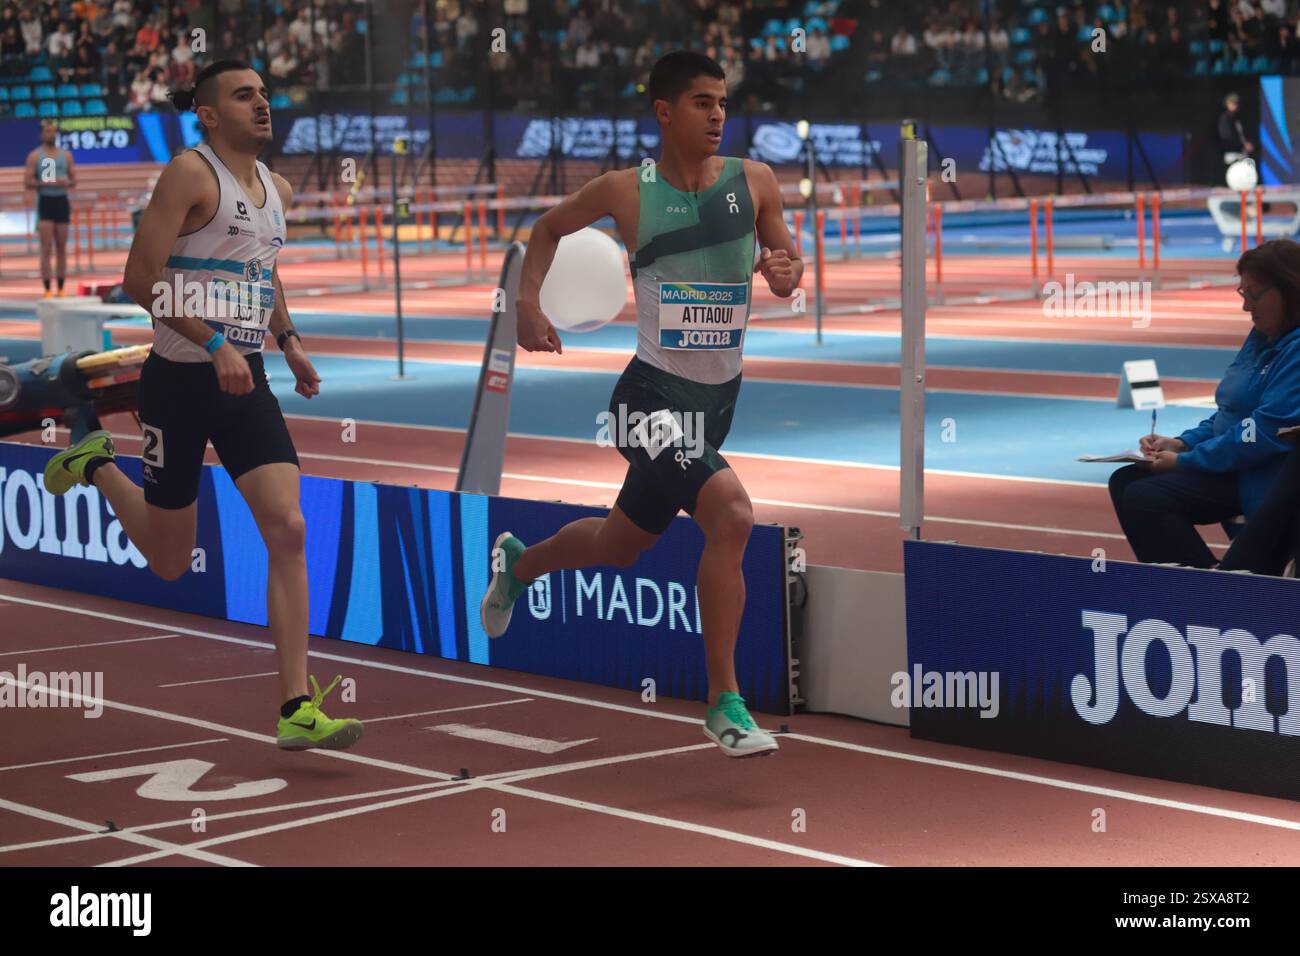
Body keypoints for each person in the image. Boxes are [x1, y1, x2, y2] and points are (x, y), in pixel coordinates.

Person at [479, 51, 802, 758]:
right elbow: (546, 229)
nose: (717, 114)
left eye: (722, 102)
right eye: (700, 103)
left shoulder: (756, 182)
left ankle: (518, 565)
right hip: (646, 398)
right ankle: (726, 704)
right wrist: (528, 304)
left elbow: (786, 270)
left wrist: (785, 269)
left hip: (716, 401)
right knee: (734, 515)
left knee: (619, 545)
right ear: (664, 111)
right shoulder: (626, 191)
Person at [41, 60, 362, 752]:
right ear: (210, 115)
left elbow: (262, 268)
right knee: (167, 560)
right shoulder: (190, 174)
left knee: (290, 528)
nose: (262, 105)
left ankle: (295, 705)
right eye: (244, 96)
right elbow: (138, 277)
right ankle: (97, 461)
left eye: (266, 94)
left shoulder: (275, 188)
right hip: (179, 384)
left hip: (246, 381)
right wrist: (213, 341)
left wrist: (290, 339)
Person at [1110, 239, 1300, 567]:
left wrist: (1185, 462)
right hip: (1239, 464)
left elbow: (1263, 432)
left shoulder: (1295, 350)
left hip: (1269, 473)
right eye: (1243, 294)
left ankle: (1209, 590)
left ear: (1289, 290)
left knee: (1147, 496)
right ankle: (1194, 582)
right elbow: (1233, 412)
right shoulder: (1263, 336)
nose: (1246, 306)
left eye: (1253, 295)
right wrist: (1183, 443)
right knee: (1127, 480)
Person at [23, 120, 76, 298]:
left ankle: (61, 287)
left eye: (53, 132)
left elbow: (74, 179)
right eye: (47, 132)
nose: (51, 135)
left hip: (61, 201)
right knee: (46, 248)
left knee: (61, 247)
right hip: (45, 202)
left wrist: (65, 182)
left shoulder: (65, 156)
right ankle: (47, 289)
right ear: (41, 134)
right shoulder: (35, 156)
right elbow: (27, 182)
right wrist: (44, 182)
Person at [1218, 92, 1253, 167]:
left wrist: (1246, 144)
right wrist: (1242, 145)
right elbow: (1227, 137)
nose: (1235, 105)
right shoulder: (1225, 118)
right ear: (1227, 104)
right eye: (1232, 103)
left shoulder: (1238, 118)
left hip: (1241, 153)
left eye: (1236, 103)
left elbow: (1242, 134)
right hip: (1231, 155)